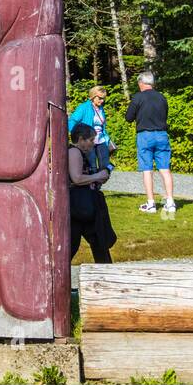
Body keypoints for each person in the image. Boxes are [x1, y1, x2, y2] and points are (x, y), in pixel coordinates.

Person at [124, 72, 174, 215]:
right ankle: (170, 202)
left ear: (141, 83)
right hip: (162, 135)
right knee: (165, 169)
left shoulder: (138, 97)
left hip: (145, 135)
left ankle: (151, 204)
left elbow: (128, 118)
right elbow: (165, 115)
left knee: (147, 169)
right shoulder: (162, 97)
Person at [69, 123, 116, 263]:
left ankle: (106, 274)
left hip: (82, 206)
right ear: (81, 139)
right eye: (90, 140)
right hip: (79, 206)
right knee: (77, 244)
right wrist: (97, 176)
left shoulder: (79, 153)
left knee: (98, 241)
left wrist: (98, 178)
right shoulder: (74, 152)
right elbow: (76, 178)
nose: (93, 143)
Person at [68, 86, 114, 173]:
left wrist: (107, 139)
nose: (102, 101)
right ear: (93, 96)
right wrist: (77, 137)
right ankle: (92, 184)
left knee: (105, 166)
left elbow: (102, 126)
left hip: (101, 140)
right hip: (88, 141)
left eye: (103, 98)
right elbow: (72, 121)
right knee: (91, 166)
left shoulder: (101, 109)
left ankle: (100, 183)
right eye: (100, 98)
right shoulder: (83, 107)